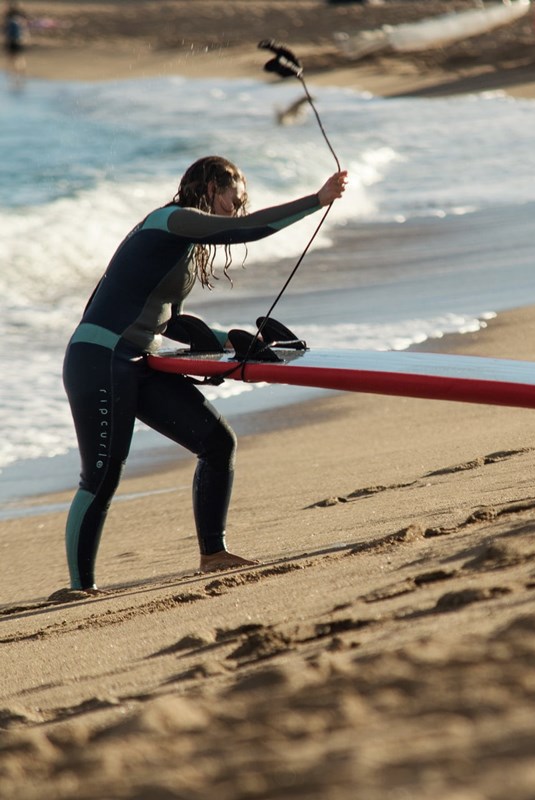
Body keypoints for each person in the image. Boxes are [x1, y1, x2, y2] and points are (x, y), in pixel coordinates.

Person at [59, 155, 348, 596]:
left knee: (217, 442)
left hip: (139, 359)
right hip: (100, 358)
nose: (239, 206)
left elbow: (169, 321)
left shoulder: (182, 244)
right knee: (101, 474)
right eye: (236, 196)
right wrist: (317, 199)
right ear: (212, 187)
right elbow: (245, 230)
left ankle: (213, 554)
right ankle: (79, 586)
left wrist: (234, 342)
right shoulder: (174, 220)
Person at [4, 3, 29, 85]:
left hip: (14, 40)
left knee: (15, 56)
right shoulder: (17, 19)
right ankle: (16, 72)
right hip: (16, 40)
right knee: (16, 57)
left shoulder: (13, 20)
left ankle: (16, 72)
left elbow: (9, 31)